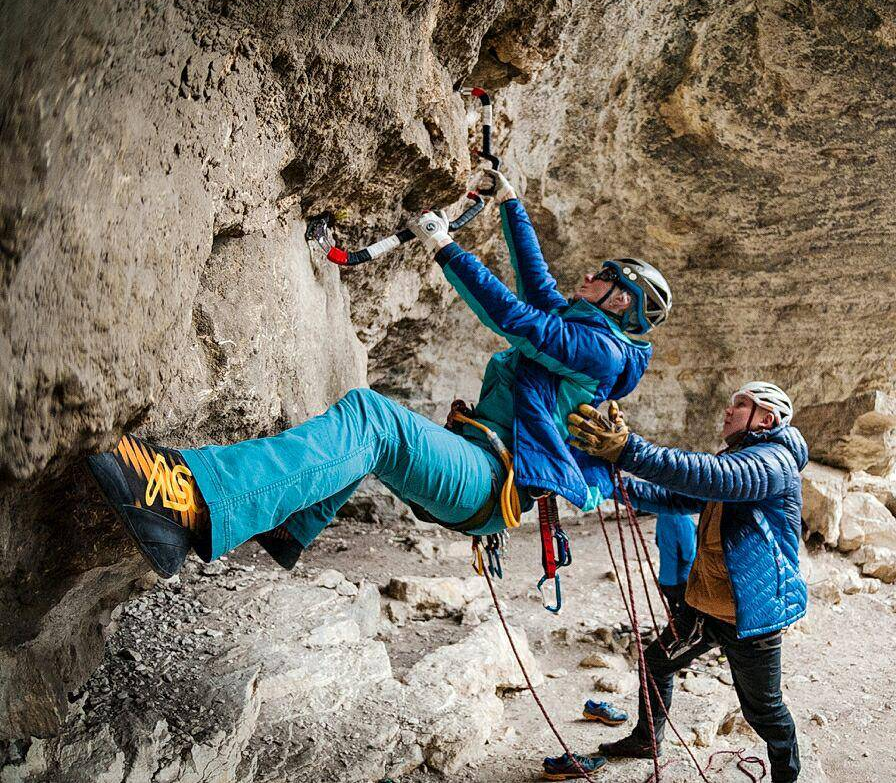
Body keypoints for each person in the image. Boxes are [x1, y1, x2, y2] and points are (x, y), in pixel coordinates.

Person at [87, 168, 673, 577]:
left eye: (604, 276)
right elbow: (539, 288)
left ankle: (188, 502)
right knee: (370, 428)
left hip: (492, 480)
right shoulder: (591, 331)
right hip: (483, 464)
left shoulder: (606, 355)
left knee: (373, 421)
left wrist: (446, 248)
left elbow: (523, 322)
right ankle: (291, 523)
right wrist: (511, 205)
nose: (590, 277)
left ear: (622, 301)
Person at [567, 382, 808, 783]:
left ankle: (787, 776)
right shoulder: (740, 457)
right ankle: (648, 740)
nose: (728, 411)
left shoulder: (774, 463)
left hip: (751, 614)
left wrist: (629, 450)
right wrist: (614, 485)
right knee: (657, 661)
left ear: (766, 419)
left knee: (763, 711)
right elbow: (680, 498)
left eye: (741, 405)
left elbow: (712, 477)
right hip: (707, 604)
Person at [653, 508, 697, 615]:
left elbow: (658, 542)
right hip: (682, 582)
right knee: (689, 621)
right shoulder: (683, 519)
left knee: (676, 620)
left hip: (665, 581)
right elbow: (689, 555)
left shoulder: (662, 514)